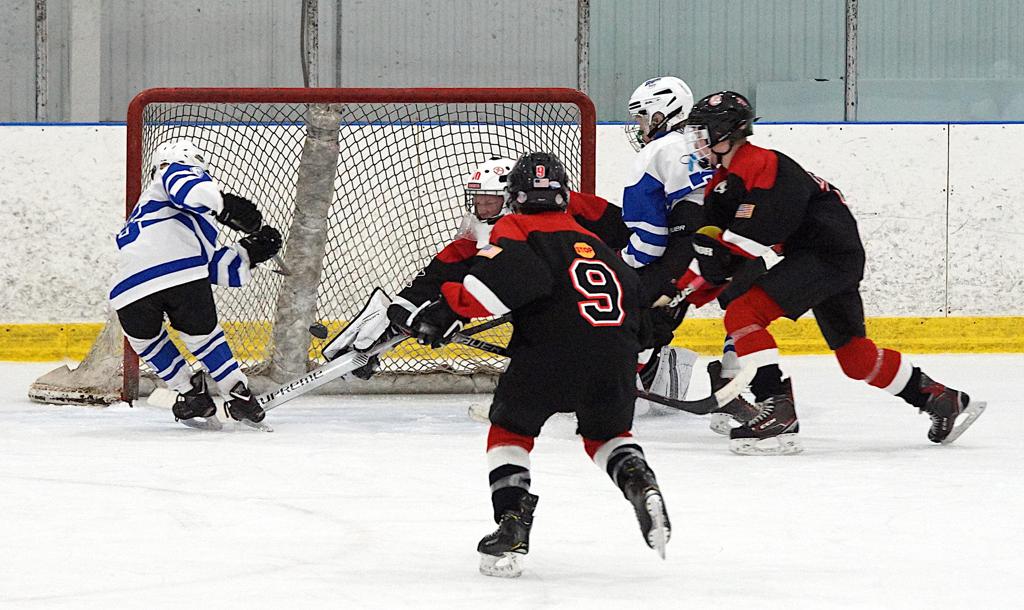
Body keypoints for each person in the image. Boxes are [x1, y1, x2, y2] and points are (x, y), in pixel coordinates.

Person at [400, 152, 671, 577]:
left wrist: (445, 310)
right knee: (608, 437)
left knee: (510, 432)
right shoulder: (594, 240)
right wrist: (629, 356)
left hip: (550, 354)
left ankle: (512, 524)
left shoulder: (516, 227)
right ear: (564, 197)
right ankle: (639, 480)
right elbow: (636, 302)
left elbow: (507, 283)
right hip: (615, 355)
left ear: (514, 198)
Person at [676, 91, 986, 455]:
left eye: (704, 130)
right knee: (856, 358)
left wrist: (712, 263)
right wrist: (675, 292)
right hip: (828, 256)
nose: (697, 140)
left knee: (745, 312)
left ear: (727, 130)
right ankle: (939, 398)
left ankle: (777, 409)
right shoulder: (723, 182)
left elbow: (754, 235)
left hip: (826, 254)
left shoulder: (759, 162)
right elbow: (720, 256)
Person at [109, 139, 283, 427]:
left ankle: (192, 396)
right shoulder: (171, 178)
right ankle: (239, 398)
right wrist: (224, 205)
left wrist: (251, 253)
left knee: (147, 341)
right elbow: (184, 184)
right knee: (204, 338)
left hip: (128, 290)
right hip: (182, 278)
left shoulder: (161, 215)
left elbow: (216, 267)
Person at [623, 76, 760, 430]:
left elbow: (651, 239)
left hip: (686, 244)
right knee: (747, 307)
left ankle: (622, 381)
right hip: (737, 237)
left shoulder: (656, 151)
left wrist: (623, 262)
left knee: (641, 310)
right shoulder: (716, 143)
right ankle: (730, 385)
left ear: (660, 113)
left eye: (641, 117)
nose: (639, 127)